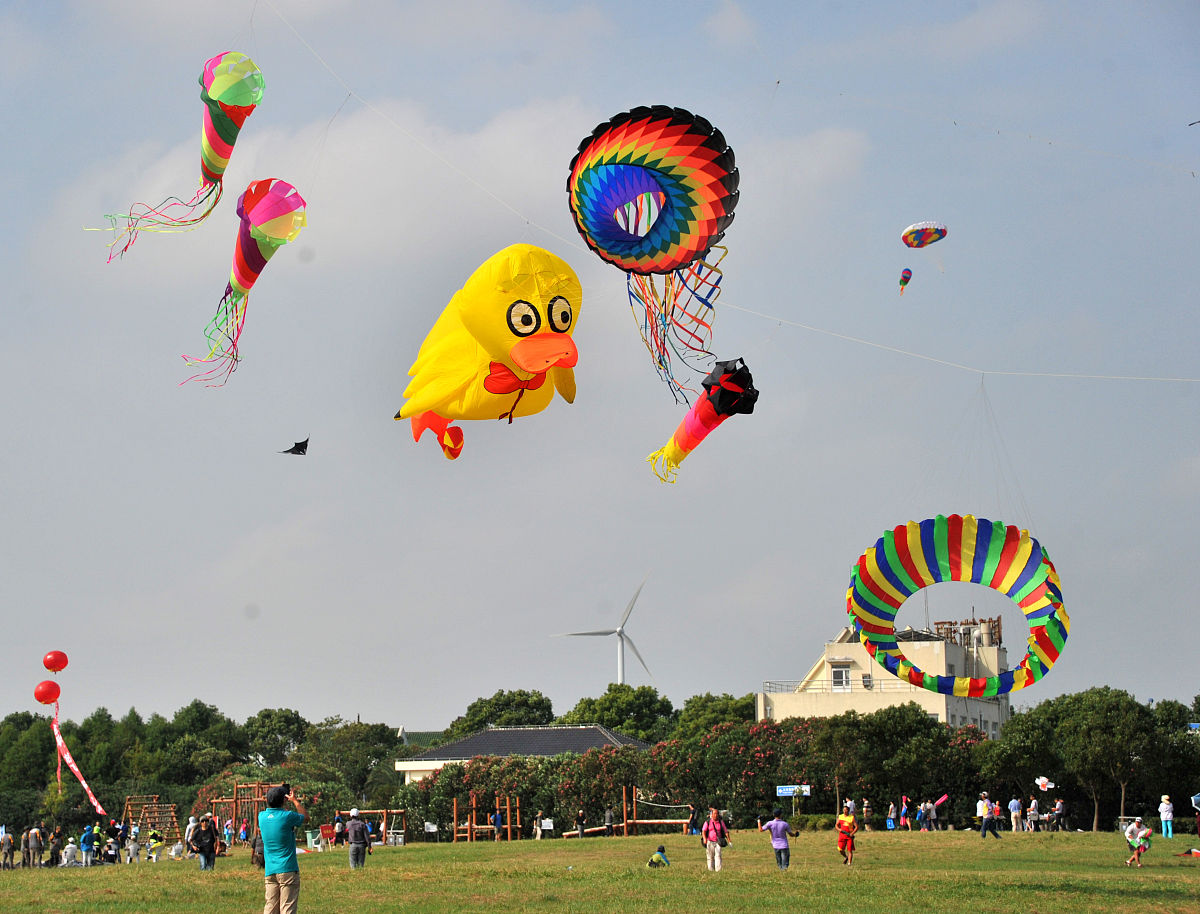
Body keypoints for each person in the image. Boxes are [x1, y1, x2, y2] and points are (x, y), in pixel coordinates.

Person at [259, 784, 307, 914]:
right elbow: (305, 817)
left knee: (270, 908)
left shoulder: (261, 817)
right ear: (284, 800)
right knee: (287, 908)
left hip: (270, 870)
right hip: (287, 869)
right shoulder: (287, 816)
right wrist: (295, 801)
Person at [701, 806, 730, 872]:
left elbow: (726, 831)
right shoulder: (707, 822)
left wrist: (729, 840)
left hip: (718, 842)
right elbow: (704, 831)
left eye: (717, 814)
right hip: (709, 841)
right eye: (714, 814)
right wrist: (705, 839)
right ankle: (710, 869)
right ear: (712, 814)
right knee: (710, 857)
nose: (716, 815)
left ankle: (718, 870)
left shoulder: (721, 822)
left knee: (718, 855)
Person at [836, 801, 858, 866]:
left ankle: (849, 863)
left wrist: (852, 833)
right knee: (840, 849)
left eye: (846, 810)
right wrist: (839, 829)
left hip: (849, 836)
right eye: (844, 810)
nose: (845, 811)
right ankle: (846, 857)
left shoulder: (851, 817)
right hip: (842, 835)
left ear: (848, 811)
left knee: (850, 850)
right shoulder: (840, 817)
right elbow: (836, 825)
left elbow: (856, 827)